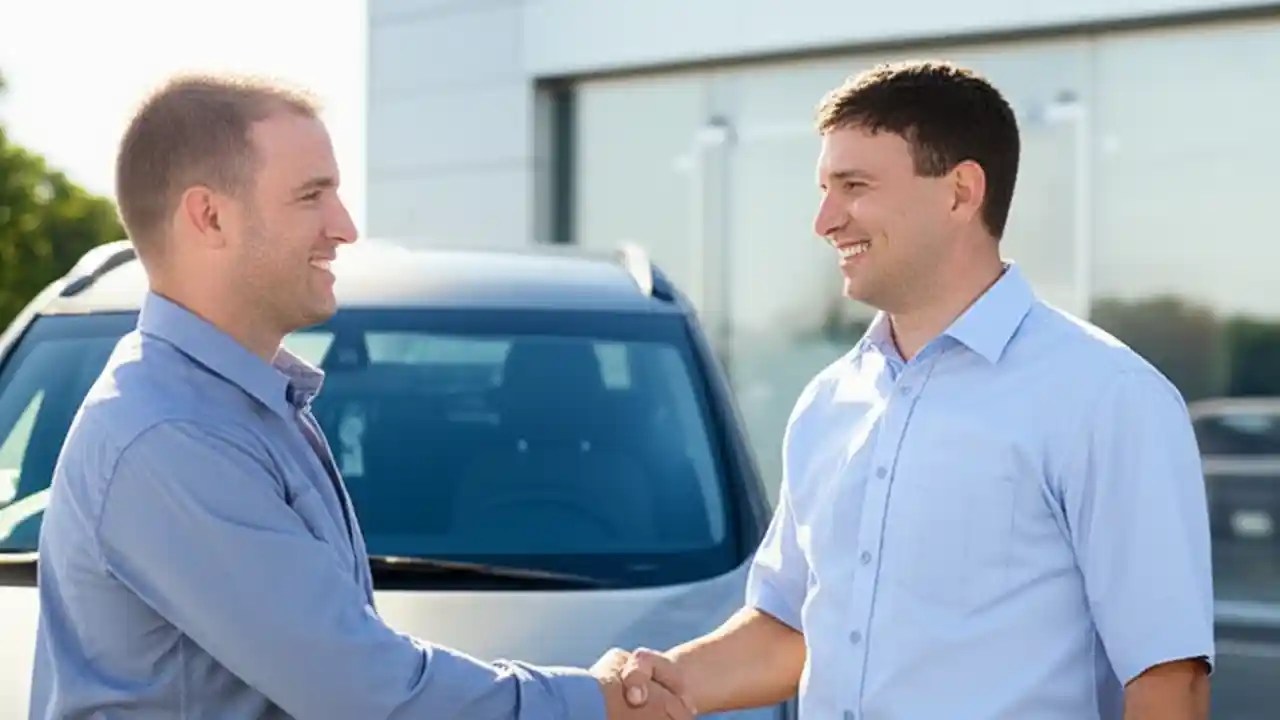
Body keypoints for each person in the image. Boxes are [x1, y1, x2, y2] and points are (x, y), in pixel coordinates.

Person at [28, 74, 693, 720]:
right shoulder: (171, 436)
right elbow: (368, 694)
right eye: (311, 195)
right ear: (209, 216)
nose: (344, 226)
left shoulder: (233, 406)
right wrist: (594, 701)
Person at [615, 59, 1214, 719]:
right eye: (824, 187)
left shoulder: (1108, 398)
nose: (824, 220)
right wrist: (651, 682)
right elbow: (791, 630)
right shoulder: (828, 402)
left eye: (854, 185)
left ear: (960, 192)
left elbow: (1168, 681)